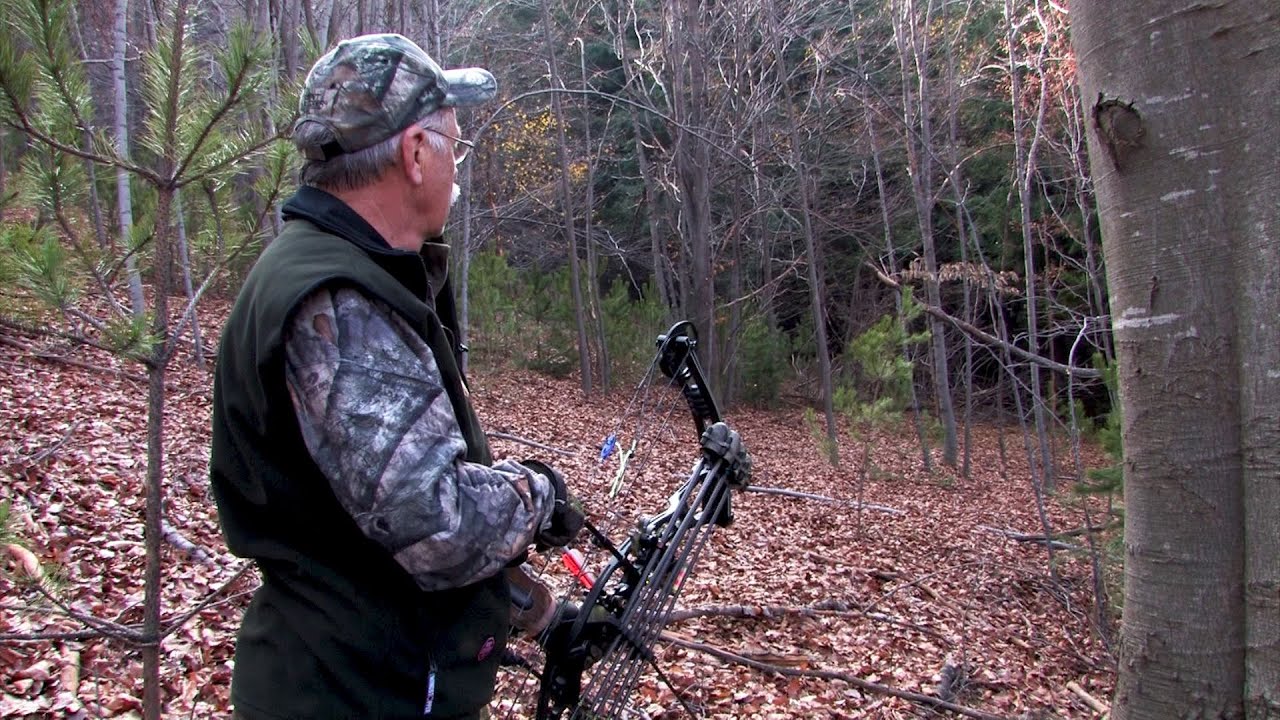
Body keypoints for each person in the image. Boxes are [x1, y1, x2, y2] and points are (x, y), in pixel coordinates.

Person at [209, 33, 584, 720]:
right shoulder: (339, 302)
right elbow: (433, 525)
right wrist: (539, 493)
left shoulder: (352, 273)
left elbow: (368, 526)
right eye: (454, 146)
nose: (458, 167)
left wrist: (541, 615)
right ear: (415, 154)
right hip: (350, 695)